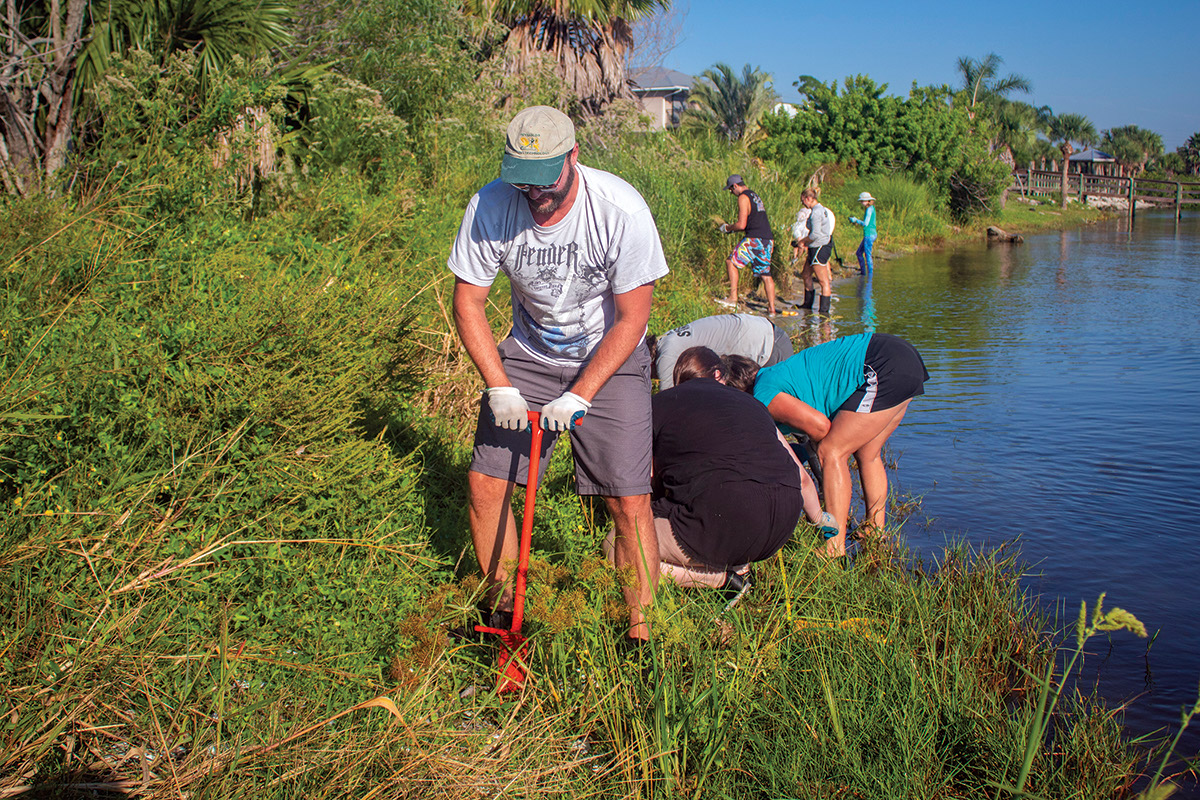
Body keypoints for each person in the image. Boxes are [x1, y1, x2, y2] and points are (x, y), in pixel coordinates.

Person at [447, 105, 669, 643]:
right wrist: (499, 383)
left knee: (627, 499)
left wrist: (581, 395)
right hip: (531, 353)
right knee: (487, 483)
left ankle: (640, 636)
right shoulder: (492, 205)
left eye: (547, 180)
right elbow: (469, 302)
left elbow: (634, 318)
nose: (536, 195)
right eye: (524, 181)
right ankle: (502, 617)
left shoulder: (619, 209)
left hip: (609, 355)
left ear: (574, 156)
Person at [614, 346, 824, 594]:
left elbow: (646, 478)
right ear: (719, 377)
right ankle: (739, 563)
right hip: (782, 524)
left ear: (679, 381)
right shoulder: (754, 404)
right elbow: (802, 478)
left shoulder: (657, 404)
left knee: (618, 546)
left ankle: (723, 582)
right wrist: (822, 524)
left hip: (725, 517)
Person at [726, 333, 929, 557]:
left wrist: (814, 451)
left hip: (881, 363)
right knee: (868, 453)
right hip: (902, 357)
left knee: (831, 451)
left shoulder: (762, 393)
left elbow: (821, 427)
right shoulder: (774, 375)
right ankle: (874, 530)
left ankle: (834, 546)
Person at [646, 312, 793, 390]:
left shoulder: (666, 355)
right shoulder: (667, 341)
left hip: (767, 345)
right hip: (763, 333)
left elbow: (669, 402)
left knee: (781, 414)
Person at [716, 175, 778, 316]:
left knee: (731, 262)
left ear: (735, 186)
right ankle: (772, 309)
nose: (731, 193)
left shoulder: (743, 197)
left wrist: (727, 228)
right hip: (767, 239)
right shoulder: (755, 196)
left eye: (731, 190)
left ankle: (733, 298)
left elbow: (741, 224)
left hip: (754, 238)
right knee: (765, 274)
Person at [795, 188, 835, 315]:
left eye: (803, 201)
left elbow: (815, 234)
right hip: (814, 246)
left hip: (820, 247)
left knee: (823, 281)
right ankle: (807, 305)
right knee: (806, 274)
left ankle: (824, 312)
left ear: (808, 198)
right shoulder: (818, 210)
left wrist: (802, 242)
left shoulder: (817, 212)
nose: (803, 205)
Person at [850, 191, 877, 275]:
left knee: (867, 254)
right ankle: (864, 272)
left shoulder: (869, 210)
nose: (861, 203)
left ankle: (869, 274)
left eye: (863, 201)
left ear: (868, 201)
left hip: (869, 234)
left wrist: (856, 220)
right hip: (872, 234)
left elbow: (866, 223)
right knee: (859, 253)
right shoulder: (872, 208)